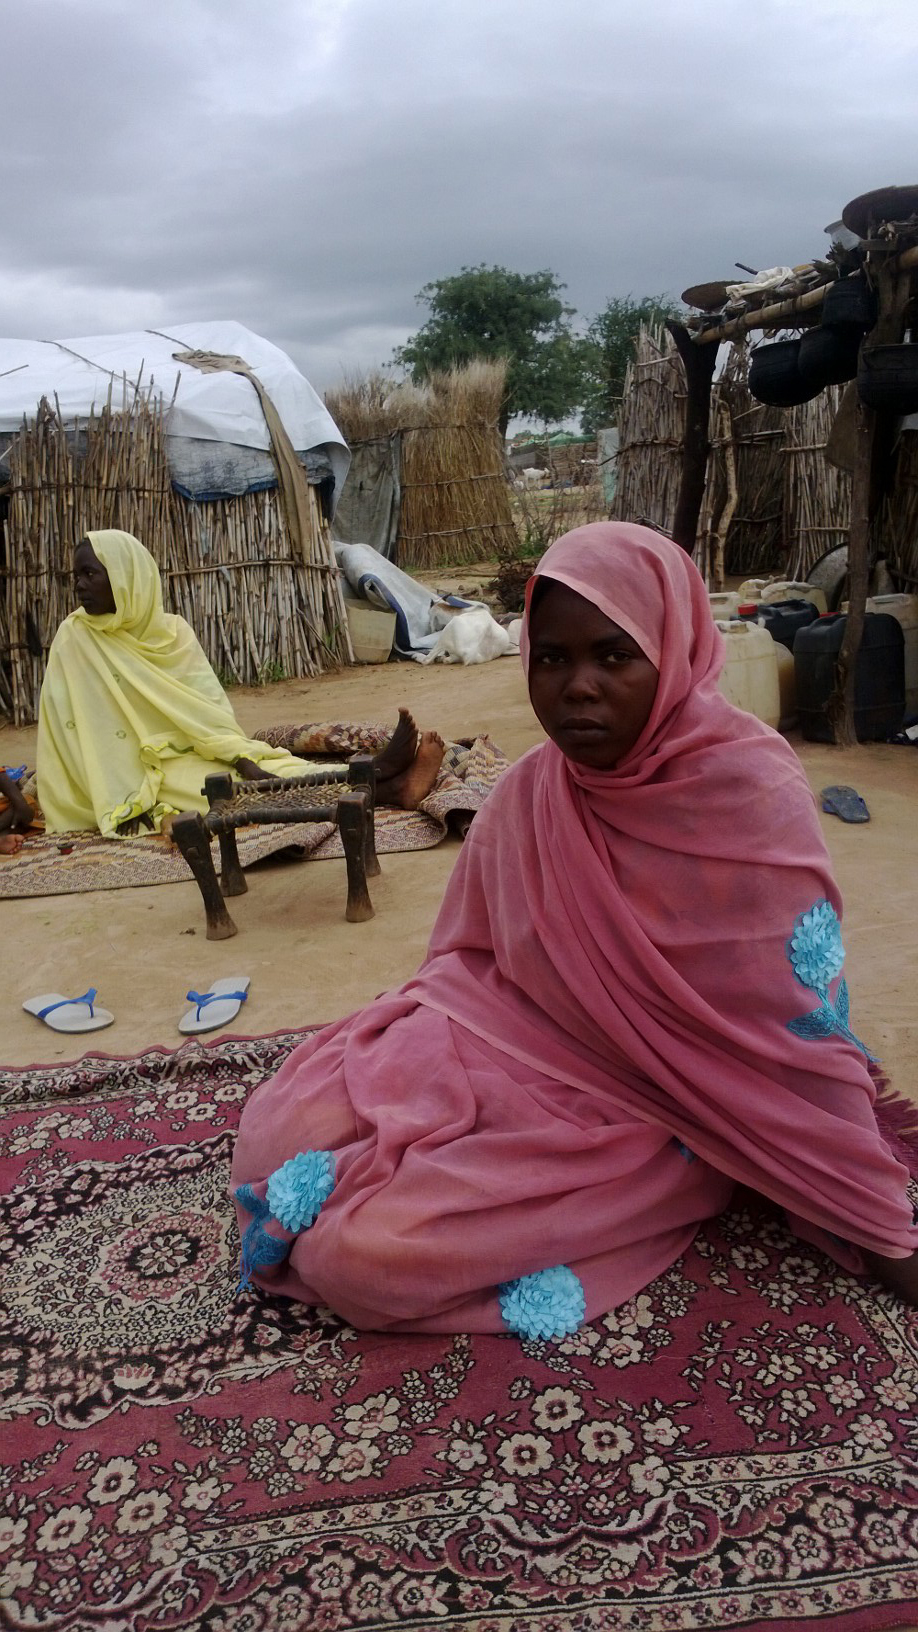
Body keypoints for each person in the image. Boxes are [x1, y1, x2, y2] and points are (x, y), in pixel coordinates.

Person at [230, 522, 918, 1336]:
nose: (577, 687)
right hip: (510, 1039)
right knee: (275, 1133)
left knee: (368, 1258)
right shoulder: (535, 789)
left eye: (614, 657)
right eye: (551, 659)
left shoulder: (748, 798)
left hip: (660, 1100)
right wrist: (435, 1079)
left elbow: (793, 1038)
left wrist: (884, 1229)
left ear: (674, 653)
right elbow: (464, 965)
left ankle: (642, 1191)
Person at [36, 530, 444, 838]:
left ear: (128, 578)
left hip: (188, 747)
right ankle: (386, 785)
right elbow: (81, 738)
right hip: (127, 768)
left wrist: (232, 751)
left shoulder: (173, 633)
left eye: (91, 574)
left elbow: (206, 713)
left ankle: (375, 775)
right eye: (76, 576)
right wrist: (145, 792)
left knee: (264, 764)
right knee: (218, 791)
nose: (80, 586)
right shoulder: (75, 639)